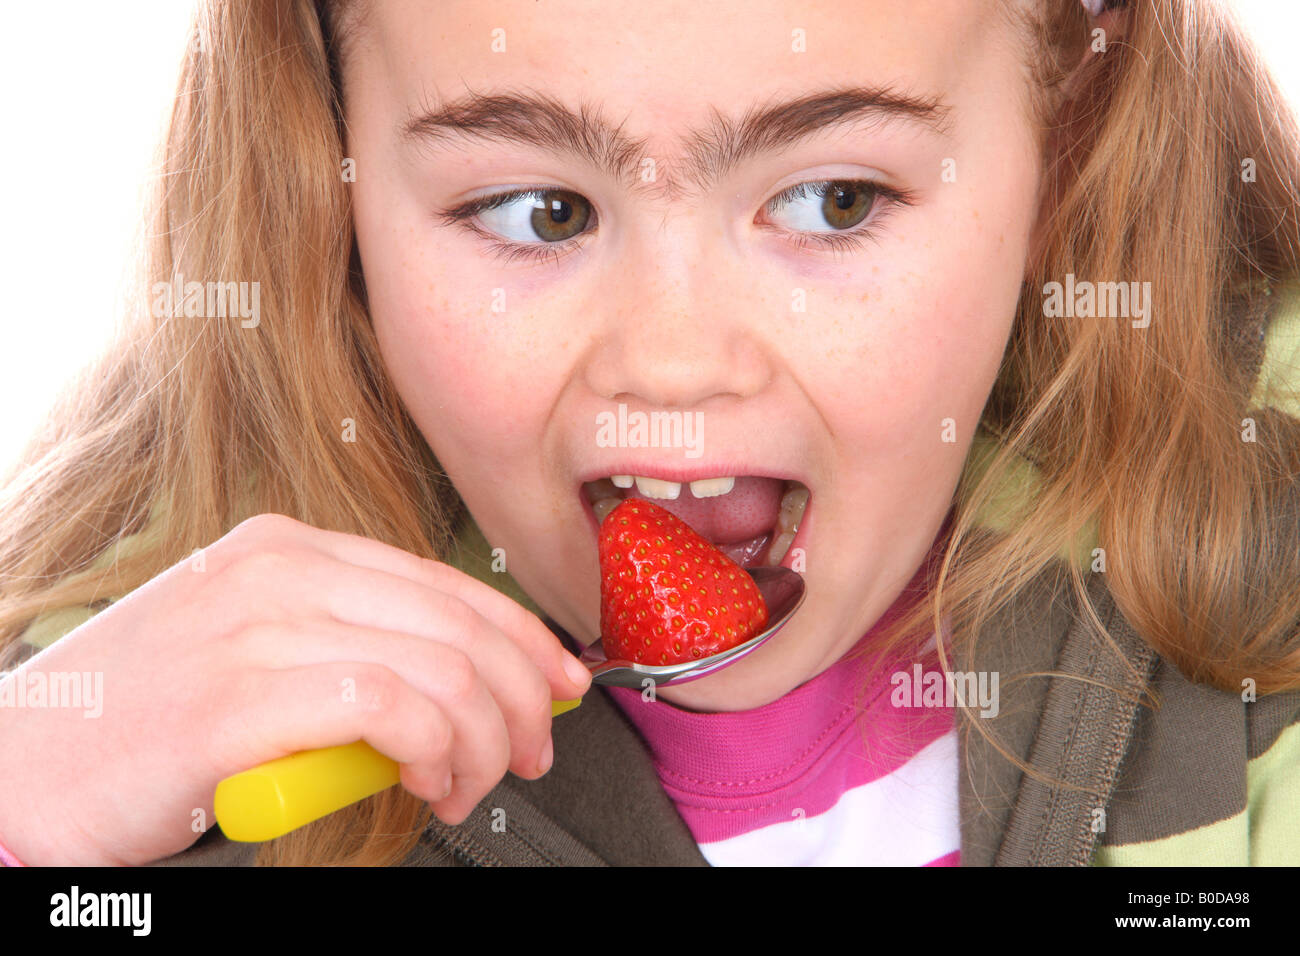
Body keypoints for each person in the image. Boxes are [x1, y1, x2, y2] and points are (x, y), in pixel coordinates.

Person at [0, 0, 1296, 867]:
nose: (672, 356)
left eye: (835, 199)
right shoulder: (132, 722)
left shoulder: (1262, 599)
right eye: (538, 212)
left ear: (1067, 154)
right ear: (327, 191)